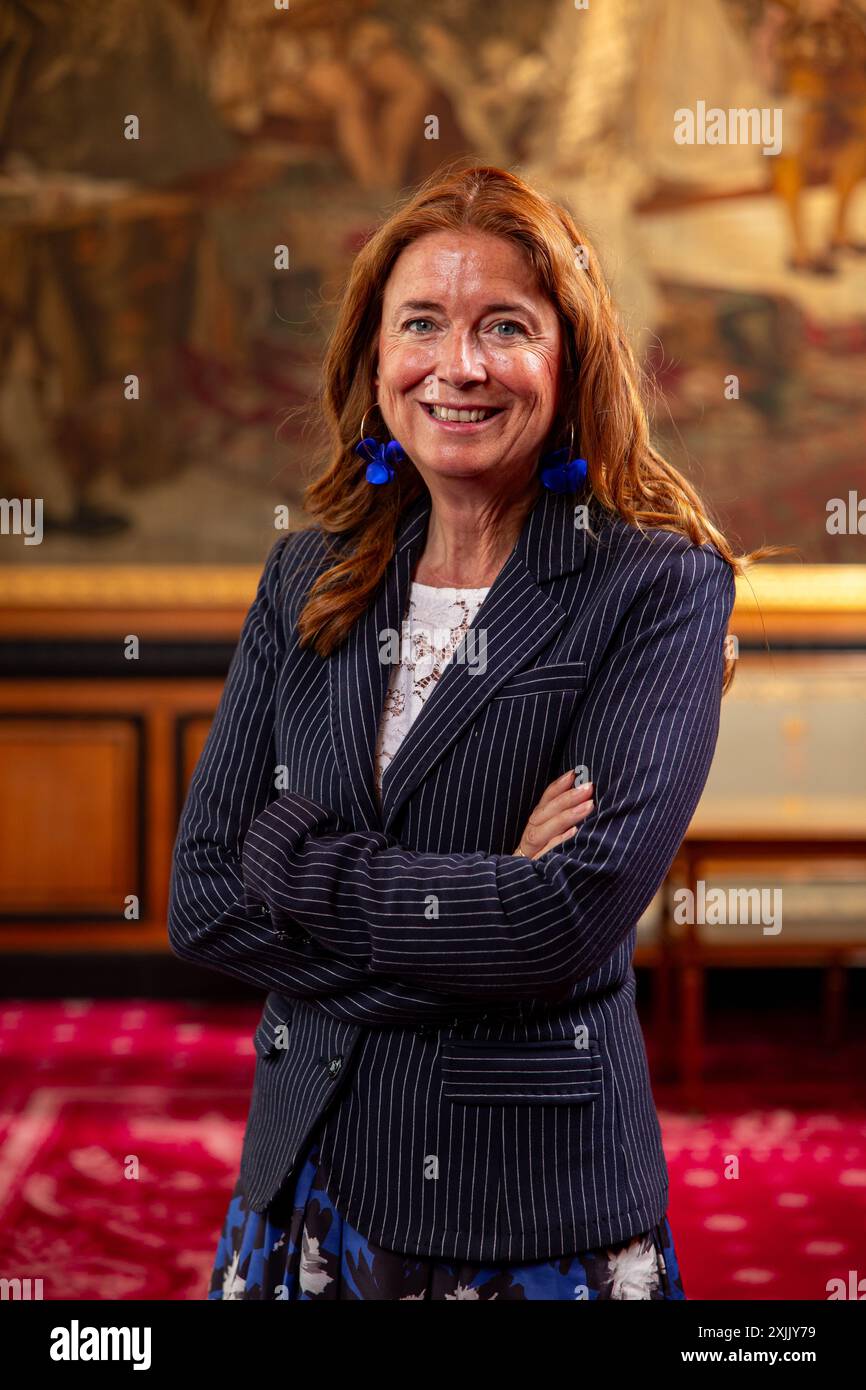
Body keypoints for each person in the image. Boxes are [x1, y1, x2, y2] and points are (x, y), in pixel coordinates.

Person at [168, 162, 766, 1300]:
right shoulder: (307, 572)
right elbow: (201, 900)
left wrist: (296, 858)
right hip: (304, 1183)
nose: (459, 365)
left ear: (569, 355)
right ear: (374, 357)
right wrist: (488, 896)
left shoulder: (656, 586)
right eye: (422, 324)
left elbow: (564, 921)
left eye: (505, 325)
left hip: (529, 1209)